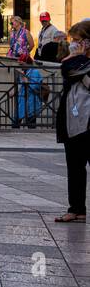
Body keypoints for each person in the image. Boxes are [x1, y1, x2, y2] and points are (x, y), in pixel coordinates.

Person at [55, 19, 90, 223]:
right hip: (73, 122)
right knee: (74, 167)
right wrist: (75, 59)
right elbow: (67, 69)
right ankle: (76, 209)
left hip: (88, 121)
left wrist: (74, 59)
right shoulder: (75, 60)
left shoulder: (77, 61)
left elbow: (76, 70)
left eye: (77, 40)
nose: (74, 44)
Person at [11, 53, 43, 129]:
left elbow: (34, 87)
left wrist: (26, 80)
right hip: (22, 99)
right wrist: (13, 91)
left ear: (27, 63)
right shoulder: (23, 72)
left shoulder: (35, 72)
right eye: (20, 65)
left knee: (31, 122)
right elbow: (18, 84)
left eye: (22, 65)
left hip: (31, 99)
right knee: (16, 121)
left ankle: (32, 139)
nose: (21, 67)